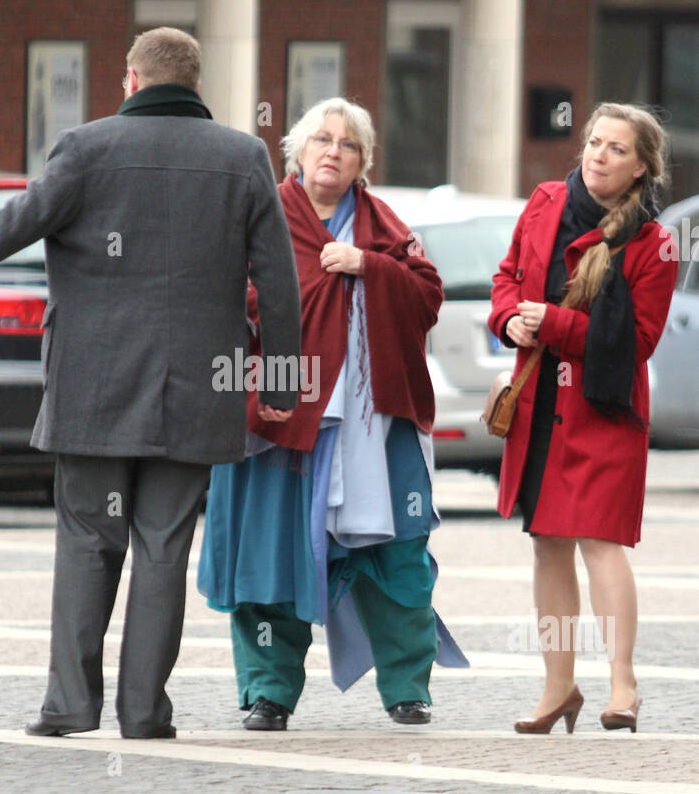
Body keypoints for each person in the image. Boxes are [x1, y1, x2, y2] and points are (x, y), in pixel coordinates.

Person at [0, 27, 301, 739]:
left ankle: (69, 706)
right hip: (198, 390)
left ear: (130, 79)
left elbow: (2, 229)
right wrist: (280, 381)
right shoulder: (242, 158)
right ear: (195, 81)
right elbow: (279, 281)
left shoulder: (87, 150)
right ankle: (145, 713)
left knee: (89, 539)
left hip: (96, 384)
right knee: (163, 547)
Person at [198, 97, 466, 731]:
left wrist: (368, 267)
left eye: (348, 145)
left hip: (375, 428)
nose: (333, 151)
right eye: (322, 139)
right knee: (269, 554)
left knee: (397, 557)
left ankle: (408, 687)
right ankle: (267, 691)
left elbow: (427, 294)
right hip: (278, 420)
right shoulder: (264, 216)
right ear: (296, 150)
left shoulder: (383, 226)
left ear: (362, 162)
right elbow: (221, 302)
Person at [489, 102, 678, 735]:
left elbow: (638, 341)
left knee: (602, 543)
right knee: (548, 547)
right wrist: (508, 318)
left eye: (615, 149)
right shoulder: (544, 200)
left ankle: (622, 686)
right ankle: (557, 686)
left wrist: (555, 322)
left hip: (603, 409)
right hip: (540, 401)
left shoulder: (655, 241)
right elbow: (508, 278)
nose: (597, 155)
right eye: (593, 142)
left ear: (640, 167)